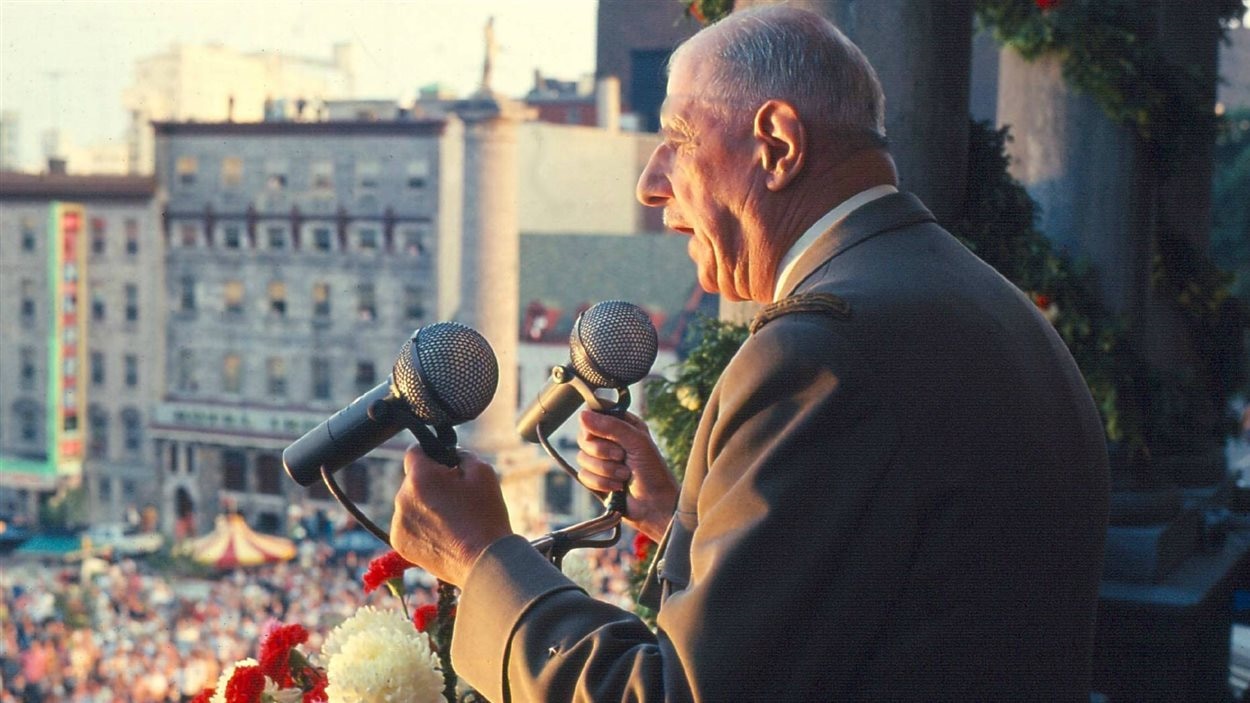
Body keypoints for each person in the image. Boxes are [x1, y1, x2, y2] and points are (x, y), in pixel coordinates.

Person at [390, 6, 1109, 701]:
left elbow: (679, 696)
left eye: (676, 138)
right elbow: (887, 597)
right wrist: (684, 516)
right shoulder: (981, 297)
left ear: (777, 145)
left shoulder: (820, 354)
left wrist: (481, 558)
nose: (649, 183)